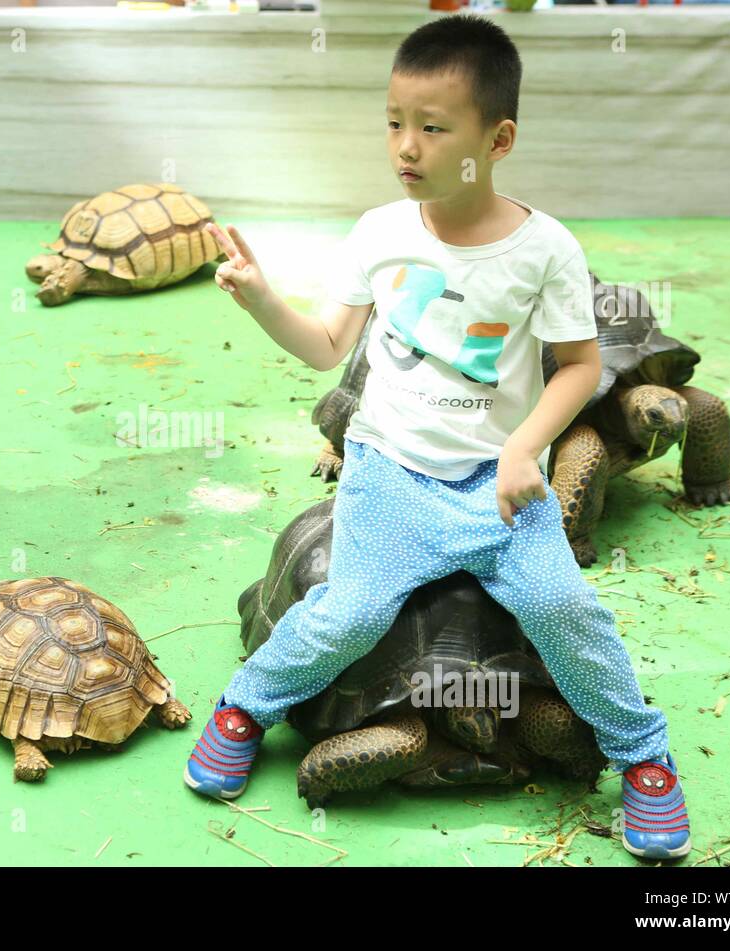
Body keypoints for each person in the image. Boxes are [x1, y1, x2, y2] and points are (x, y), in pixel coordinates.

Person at [182, 14, 690, 861]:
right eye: (393, 122)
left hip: (498, 481)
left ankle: (644, 759)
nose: (405, 147)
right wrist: (262, 298)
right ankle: (243, 707)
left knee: (566, 606)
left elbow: (575, 366)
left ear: (497, 139)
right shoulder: (380, 232)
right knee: (347, 612)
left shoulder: (546, 250)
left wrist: (526, 447)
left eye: (432, 127)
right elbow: (326, 346)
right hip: (390, 471)